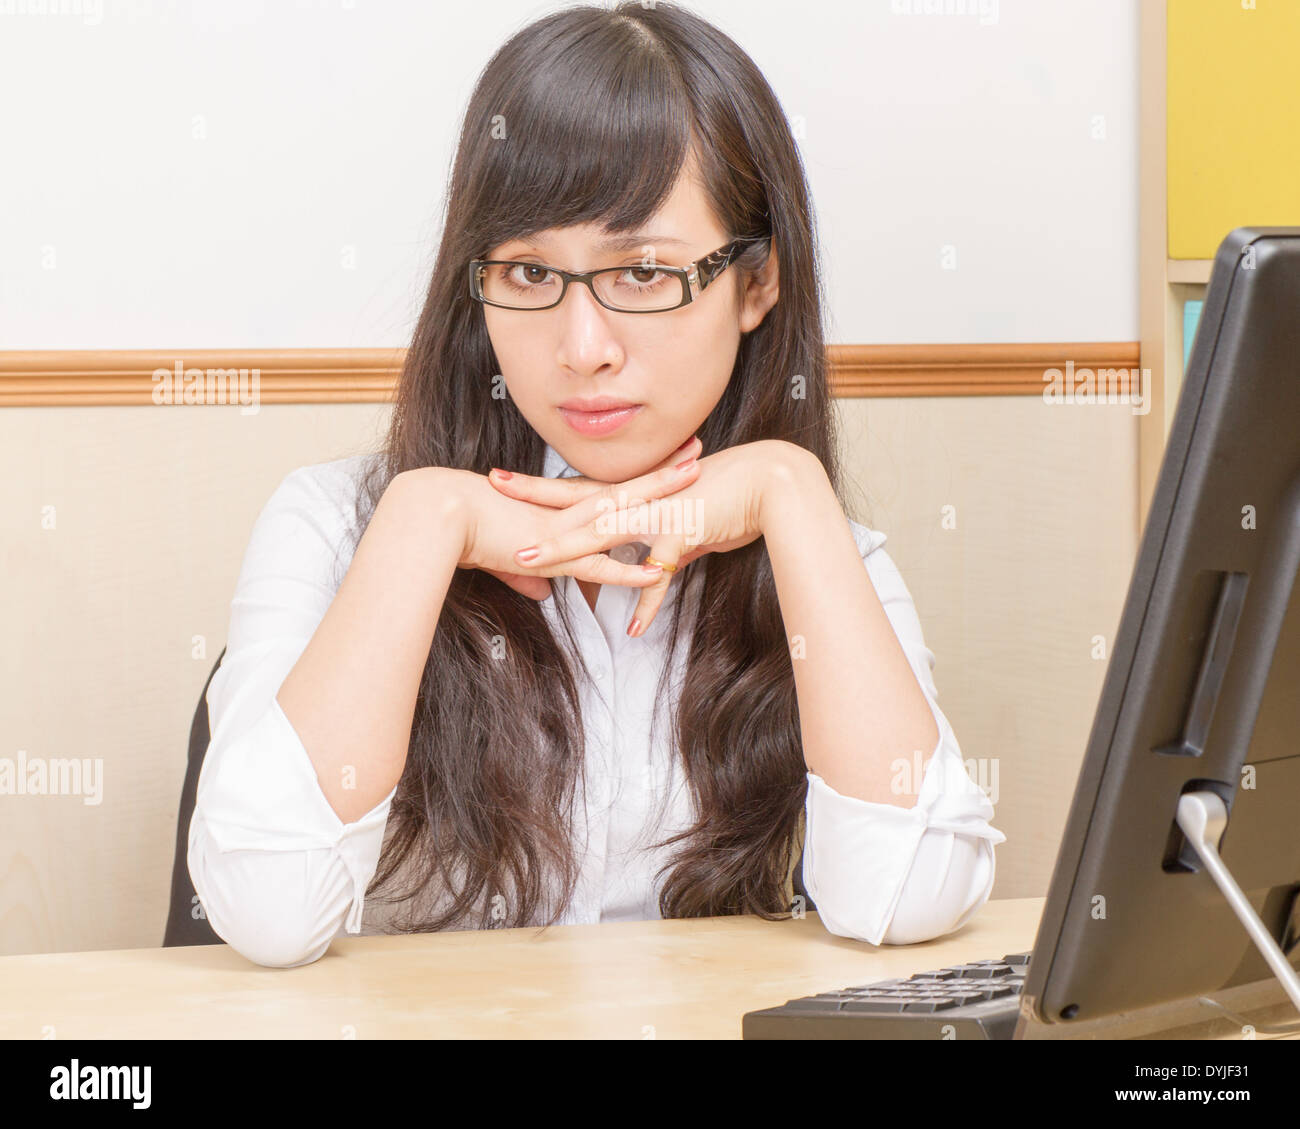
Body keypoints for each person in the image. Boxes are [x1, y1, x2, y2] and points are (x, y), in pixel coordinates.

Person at [188, 1, 1005, 970]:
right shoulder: (334, 526)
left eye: (645, 274)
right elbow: (270, 913)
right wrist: (424, 518)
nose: (583, 349)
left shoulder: (820, 554)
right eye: (529, 272)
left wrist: (791, 490)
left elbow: (905, 897)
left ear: (755, 284)